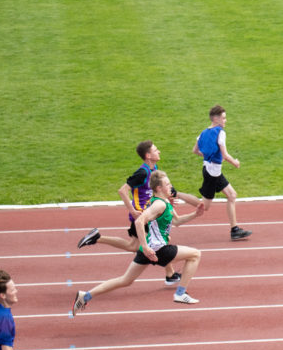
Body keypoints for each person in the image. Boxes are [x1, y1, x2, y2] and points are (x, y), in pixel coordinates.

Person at [72, 171, 204, 315]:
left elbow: (177, 221)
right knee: (195, 255)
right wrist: (146, 247)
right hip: (158, 249)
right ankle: (180, 293)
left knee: (125, 280)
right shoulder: (159, 204)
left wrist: (195, 214)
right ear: (159, 188)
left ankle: (85, 296)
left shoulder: (165, 202)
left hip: (150, 249)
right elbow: (139, 221)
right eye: (167, 184)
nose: (171, 186)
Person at [77, 140, 199, 286]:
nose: (159, 151)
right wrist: (133, 210)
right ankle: (170, 275)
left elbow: (153, 191)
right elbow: (122, 191)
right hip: (143, 216)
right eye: (156, 150)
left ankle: (98, 238)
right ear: (148, 155)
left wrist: (165, 198)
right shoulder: (142, 173)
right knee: (154, 243)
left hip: (150, 213)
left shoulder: (154, 169)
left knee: (140, 245)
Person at [193, 106, 252, 240]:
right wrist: (235, 163)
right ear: (216, 118)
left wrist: (209, 156)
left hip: (212, 171)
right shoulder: (220, 132)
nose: (225, 120)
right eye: (223, 118)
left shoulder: (202, 133)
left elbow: (195, 150)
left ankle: (234, 230)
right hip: (212, 173)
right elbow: (225, 155)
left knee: (232, 195)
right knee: (204, 206)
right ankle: (177, 194)